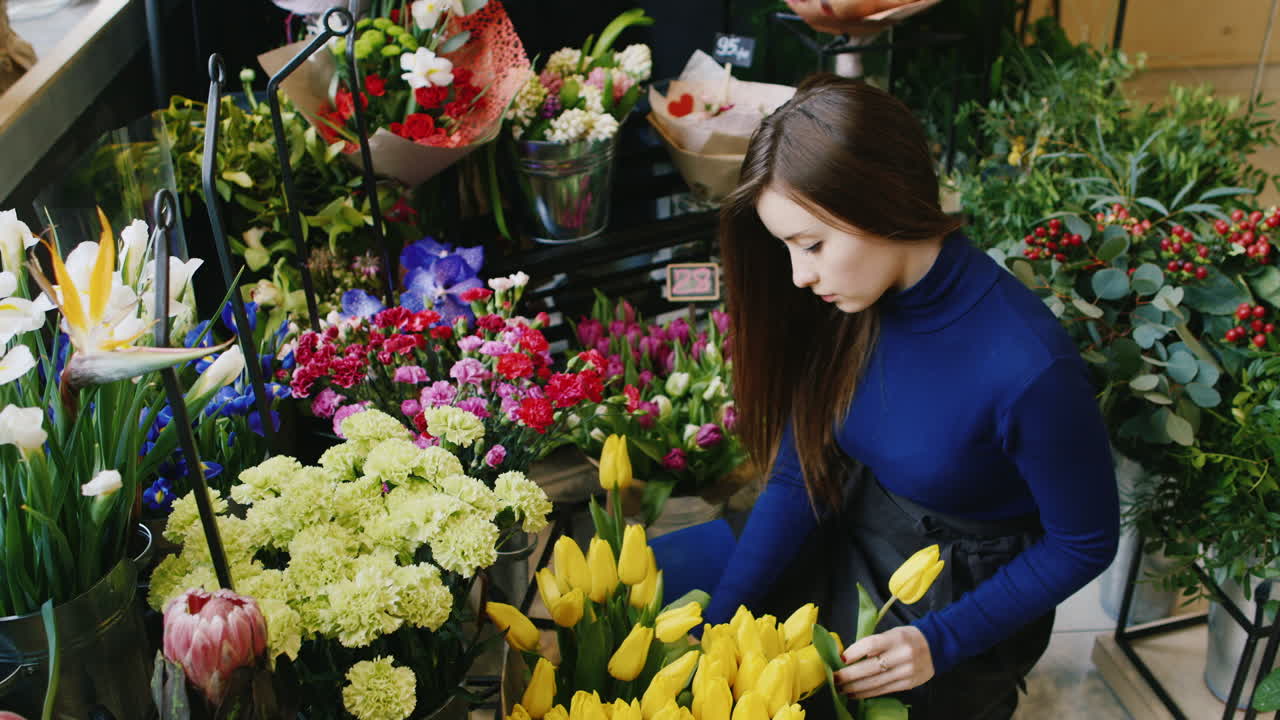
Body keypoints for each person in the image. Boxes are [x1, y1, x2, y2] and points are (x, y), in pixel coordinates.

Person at [652, 74, 1119, 720]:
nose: (798, 274)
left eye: (811, 245)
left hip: (964, 588)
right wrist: (724, 615)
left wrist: (941, 640)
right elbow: (796, 475)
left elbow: (1085, 541)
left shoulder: (1028, 365)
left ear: (882, 200)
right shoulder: (847, 302)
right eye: (786, 247)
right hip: (859, 524)